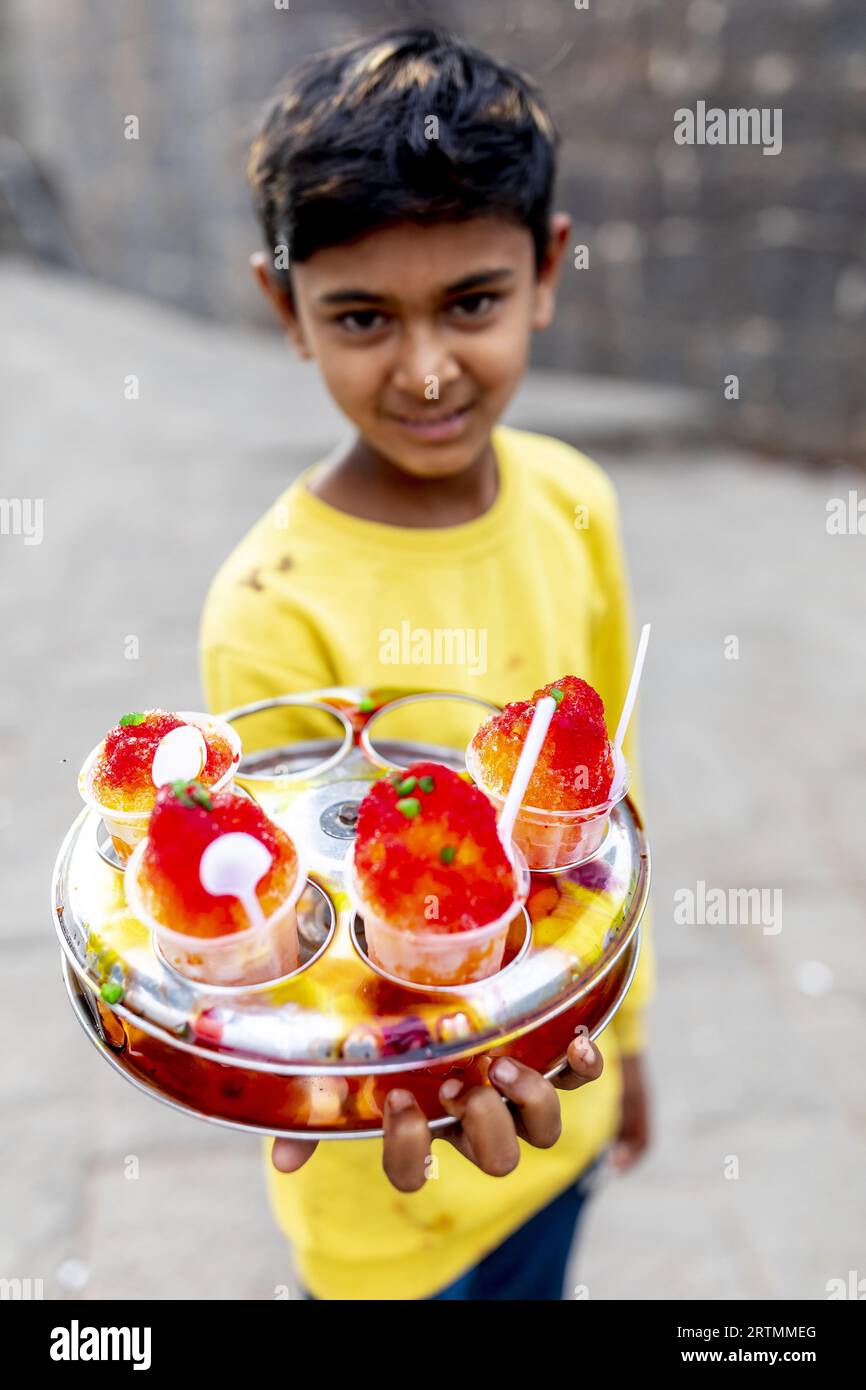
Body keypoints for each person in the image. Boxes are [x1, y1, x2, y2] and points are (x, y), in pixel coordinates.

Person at [200, 25, 654, 1301]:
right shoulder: (267, 608)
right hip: (379, 1194)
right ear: (284, 307)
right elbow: (281, 917)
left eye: (472, 301)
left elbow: (603, 811)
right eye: (360, 316)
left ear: (546, 269)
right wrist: (342, 1079)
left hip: (553, 1122)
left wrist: (625, 1031)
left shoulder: (577, 502)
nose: (427, 368)